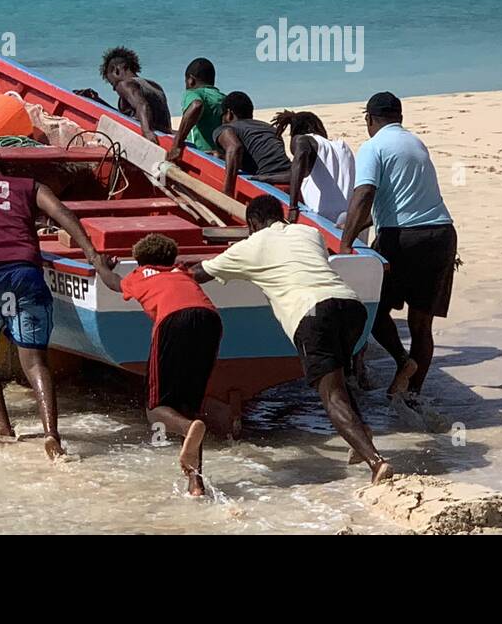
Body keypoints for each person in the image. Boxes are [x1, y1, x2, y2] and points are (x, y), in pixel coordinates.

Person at [193, 195, 393, 484]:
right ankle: (361, 435)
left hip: (311, 315)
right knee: (339, 380)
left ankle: (376, 462)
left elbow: (201, 272)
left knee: (331, 396)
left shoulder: (250, 246)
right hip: (351, 307)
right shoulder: (308, 232)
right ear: (283, 216)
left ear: (252, 223)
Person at [0, 157, 98, 458]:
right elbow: (61, 212)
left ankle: (4, 428)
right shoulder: (29, 186)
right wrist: (91, 253)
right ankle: (52, 434)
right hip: (24, 272)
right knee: (35, 361)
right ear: (4, 173)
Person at [338, 92, 458, 400]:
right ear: (400, 118)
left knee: (372, 311)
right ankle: (412, 397)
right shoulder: (416, 143)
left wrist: (344, 244)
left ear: (369, 120)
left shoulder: (373, 146)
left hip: (404, 239)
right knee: (421, 324)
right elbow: (403, 201)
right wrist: (362, 223)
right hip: (442, 234)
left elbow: (363, 195)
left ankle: (403, 362)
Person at [92, 233, 223, 496]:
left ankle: (187, 429)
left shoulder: (140, 275)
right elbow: (197, 267)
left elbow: (113, 282)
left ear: (141, 262)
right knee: (188, 405)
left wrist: (100, 266)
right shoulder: (181, 271)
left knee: (155, 409)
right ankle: (195, 484)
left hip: (173, 320)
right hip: (210, 320)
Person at [272, 110, 356, 227]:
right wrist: (266, 177)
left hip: (323, 220)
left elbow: (300, 155)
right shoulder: (342, 146)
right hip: (350, 218)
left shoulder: (303, 139)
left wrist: (293, 206)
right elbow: (298, 175)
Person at [213, 91, 291, 197]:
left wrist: (227, 192)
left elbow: (235, 148)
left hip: (270, 187)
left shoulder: (227, 128)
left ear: (229, 113)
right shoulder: (270, 128)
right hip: (292, 181)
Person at [98, 46, 172, 145]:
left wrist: (147, 132)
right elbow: (125, 116)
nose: (114, 89)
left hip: (153, 140)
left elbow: (142, 105)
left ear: (117, 70)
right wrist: (98, 101)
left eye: (113, 84)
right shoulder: (154, 86)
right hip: (165, 137)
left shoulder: (124, 84)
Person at [165, 57, 225, 163]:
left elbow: (196, 105)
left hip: (200, 156)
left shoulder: (193, 93)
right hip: (220, 158)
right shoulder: (223, 98)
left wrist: (177, 145)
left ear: (190, 80)